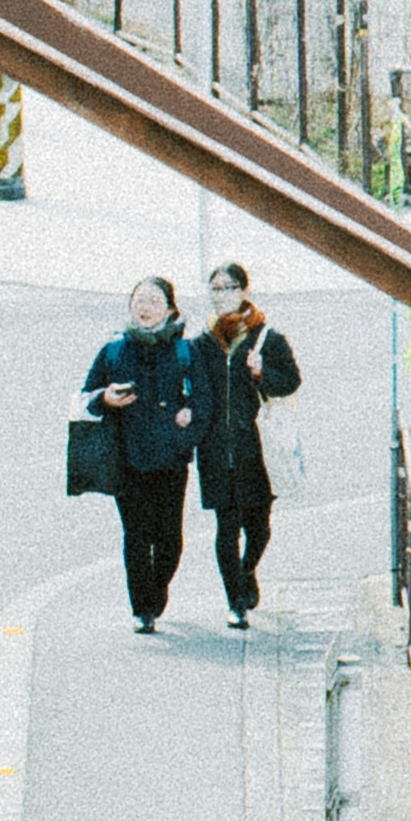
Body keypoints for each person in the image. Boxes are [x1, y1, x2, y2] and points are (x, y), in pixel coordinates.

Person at [80, 274, 207, 631]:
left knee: (169, 540)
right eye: (140, 300)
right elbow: (86, 395)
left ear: (170, 308)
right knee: (136, 535)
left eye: (154, 301)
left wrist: (189, 422)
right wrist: (104, 398)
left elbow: (204, 400)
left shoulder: (186, 350)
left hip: (171, 461)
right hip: (128, 459)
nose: (145, 307)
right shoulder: (115, 350)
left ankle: (156, 592)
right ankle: (143, 609)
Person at [192, 260, 302, 628]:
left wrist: (261, 372)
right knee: (226, 526)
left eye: (228, 288)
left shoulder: (266, 337)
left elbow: (289, 382)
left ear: (244, 292)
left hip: (256, 450)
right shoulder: (201, 342)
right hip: (215, 449)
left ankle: (248, 568)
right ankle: (235, 599)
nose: (221, 295)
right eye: (215, 288)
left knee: (258, 527)